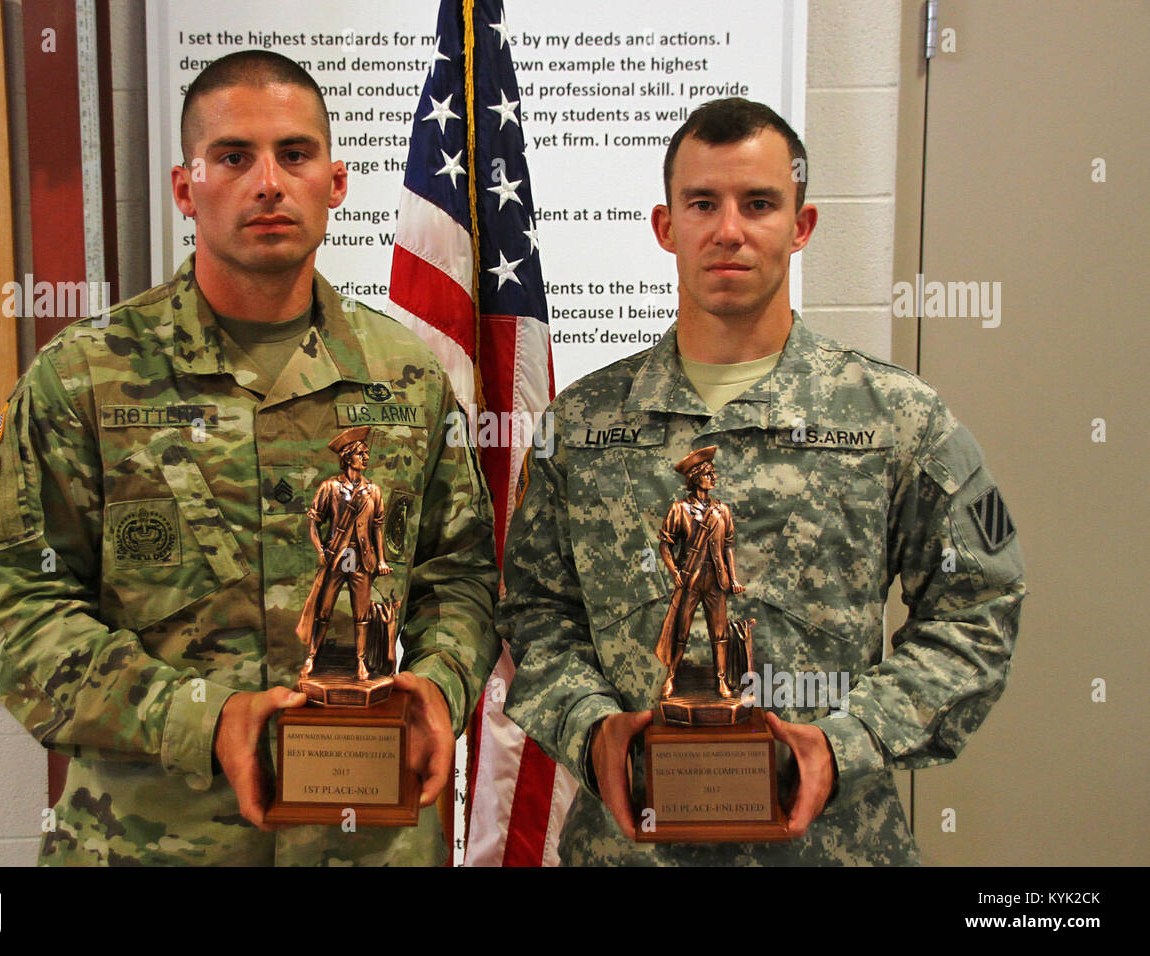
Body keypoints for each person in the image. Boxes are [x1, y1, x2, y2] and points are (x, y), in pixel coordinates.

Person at [0, 50, 499, 866]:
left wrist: (438, 682)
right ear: (187, 188)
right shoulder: (85, 379)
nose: (269, 183)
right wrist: (200, 719)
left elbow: (461, 576)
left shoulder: (406, 377)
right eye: (234, 157)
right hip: (154, 842)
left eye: (294, 154)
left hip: (366, 837)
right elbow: (12, 605)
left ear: (336, 183)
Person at [497, 98, 1025, 865]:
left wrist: (849, 741)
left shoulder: (895, 418)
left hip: (832, 847)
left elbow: (979, 603)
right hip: (631, 848)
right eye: (702, 204)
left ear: (801, 225)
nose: (729, 230)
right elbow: (534, 611)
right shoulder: (582, 425)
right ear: (665, 226)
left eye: (759, 204)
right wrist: (592, 728)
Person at [297, 426, 393, 681]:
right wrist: (320, 551)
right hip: (336, 557)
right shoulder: (330, 487)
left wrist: (381, 560)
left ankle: (361, 662)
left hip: (362, 559)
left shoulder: (374, 491)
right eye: (360, 453)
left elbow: (378, 528)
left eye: (366, 453)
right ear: (347, 457)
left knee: (361, 614)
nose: (365, 457)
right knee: (323, 611)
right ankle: (311, 656)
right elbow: (313, 522)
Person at [654, 449, 746, 699]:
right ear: (695, 478)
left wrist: (733, 578)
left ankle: (721, 680)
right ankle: (671, 677)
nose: (714, 478)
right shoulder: (679, 509)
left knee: (719, 633)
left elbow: (728, 547)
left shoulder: (722, 510)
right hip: (690, 579)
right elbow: (665, 545)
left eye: (713, 473)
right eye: (708, 474)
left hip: (716, 579)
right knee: (680, 632)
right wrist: (674, 572)